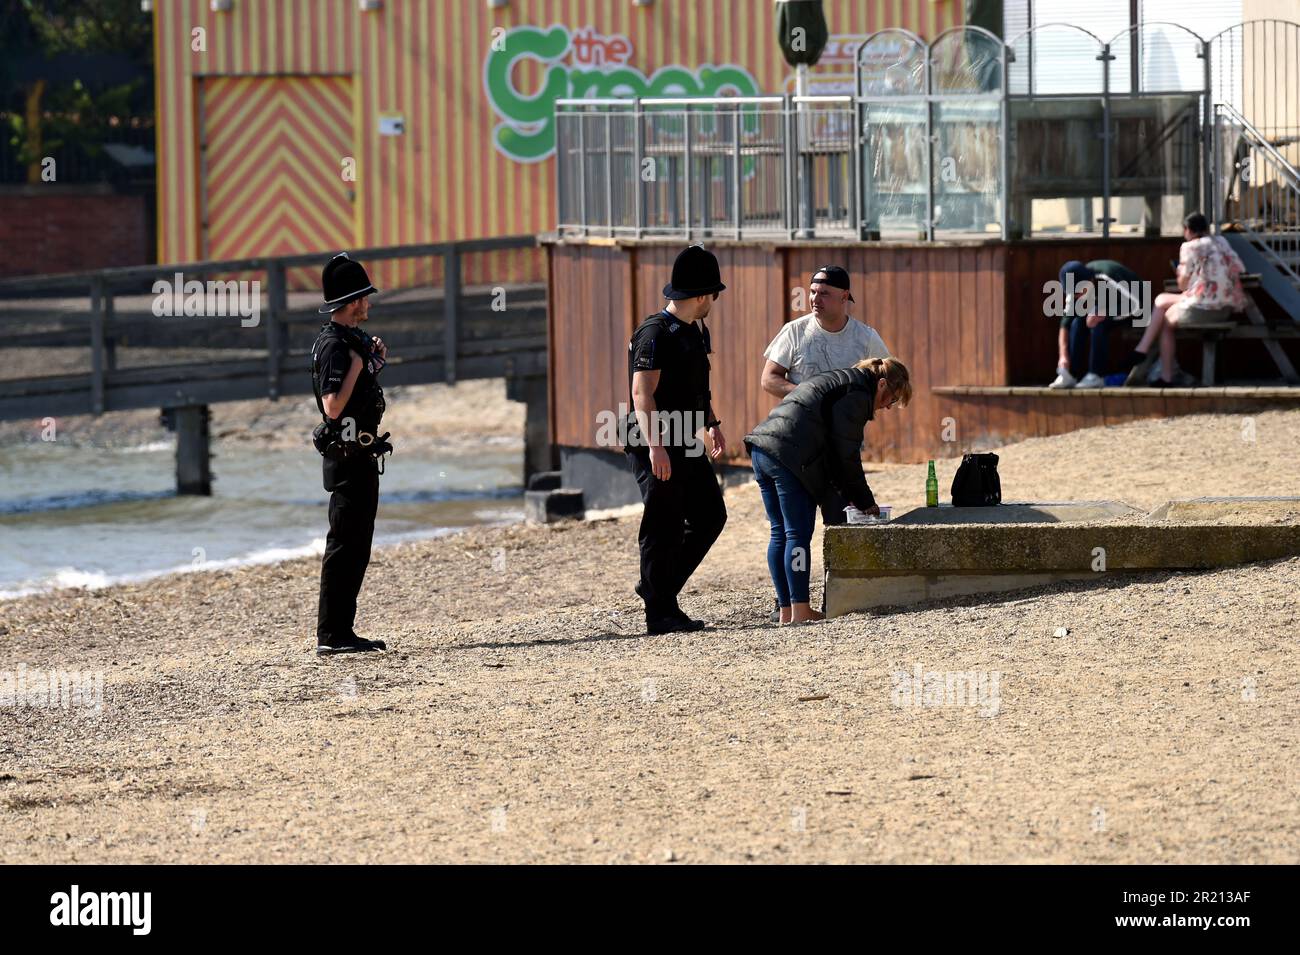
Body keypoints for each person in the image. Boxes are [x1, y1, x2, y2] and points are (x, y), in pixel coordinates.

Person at [744, 357, 912, 624]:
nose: (888, 407)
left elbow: (834, 452)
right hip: (788, 455)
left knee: (780, 533)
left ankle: (786, 611)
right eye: (891, 399)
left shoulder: (843, 380)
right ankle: (800, 609)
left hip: (762, 449)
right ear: (881, 385)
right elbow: (845, 455)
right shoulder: (857, 394)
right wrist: (865, 501)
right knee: (797, 534)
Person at [625, 245, 728, 635]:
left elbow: (695, 385)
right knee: (663, 524)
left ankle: (657, 588)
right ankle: (660, 613)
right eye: (713, 294)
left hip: (684, 435)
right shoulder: (655, 333)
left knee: (710, 516)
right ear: (701, 296)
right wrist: (656, 447)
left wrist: (710, 421)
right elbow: (641, 395)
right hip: (654, 439)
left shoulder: (694, 331)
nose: (714, 302)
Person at [761, 265, 890, 530]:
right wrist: (813, 396)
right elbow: (769, 379)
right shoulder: (795, 331)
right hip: (800, 443)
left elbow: (886, 380)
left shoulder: (866, 338)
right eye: (812, 292)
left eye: (824, 293)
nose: (814, 299)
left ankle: (836, 572)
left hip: (840, 446)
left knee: (842, 524)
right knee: (793, 530)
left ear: (845, 296)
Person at [311, 252, 392, 656]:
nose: (369, 304)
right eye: (364, 297)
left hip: (361, 456)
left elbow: (357, 390)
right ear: (351, 301)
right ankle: (332, 635)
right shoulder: (334, 347)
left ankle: (343, 632)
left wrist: (371, 363)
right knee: (344, 545)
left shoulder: (350, 342)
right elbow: (332, 407)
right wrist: (360, 366)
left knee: (357, 545)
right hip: (346, 461)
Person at [1122, 212, 1247, 387]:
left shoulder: (1189, 247)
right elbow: (1239, 268)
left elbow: (1182, 284)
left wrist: (1180, 271)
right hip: (1226, 308)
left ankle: (1162, 372)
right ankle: (1143, 349)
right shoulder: (1222, 242)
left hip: (1203, 309)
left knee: (1165, 321)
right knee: (1161, 301)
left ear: (1188, 229)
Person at [1049, 259, 1146, 389]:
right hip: (1106, 308)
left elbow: (1137, 305)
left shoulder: (1107, 275)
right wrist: (1063, 356)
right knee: (1078, 321)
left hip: (1136, 309)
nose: (1076, 296)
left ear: (1089, 281)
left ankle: (1096, 375)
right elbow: (1065, 323)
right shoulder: (1075, 289)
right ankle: (1070, 374)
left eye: (1078, 293)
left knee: (1097, 322)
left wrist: (1104, 313)